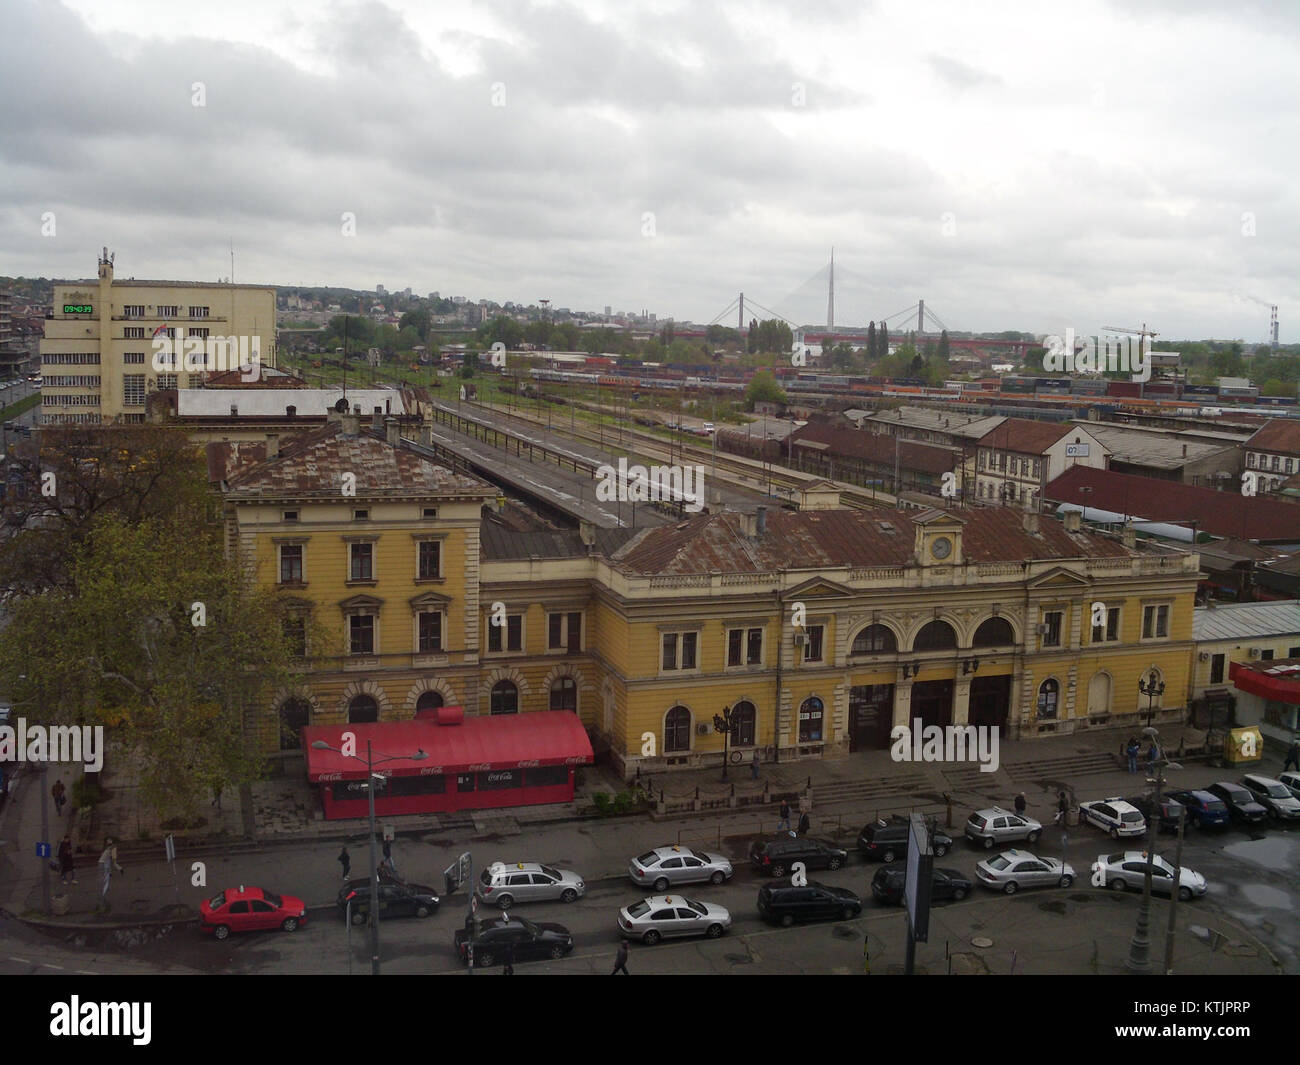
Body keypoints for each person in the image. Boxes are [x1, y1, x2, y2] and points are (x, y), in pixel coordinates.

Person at [98, 837, 123, 910]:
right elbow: (110, 857)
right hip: (105, 861)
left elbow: (111, 855)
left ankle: (102, 897)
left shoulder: (110, 847)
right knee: (107, 874)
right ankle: (102, 897)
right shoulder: (110, 847)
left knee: (109, 870)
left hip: (106, 860)